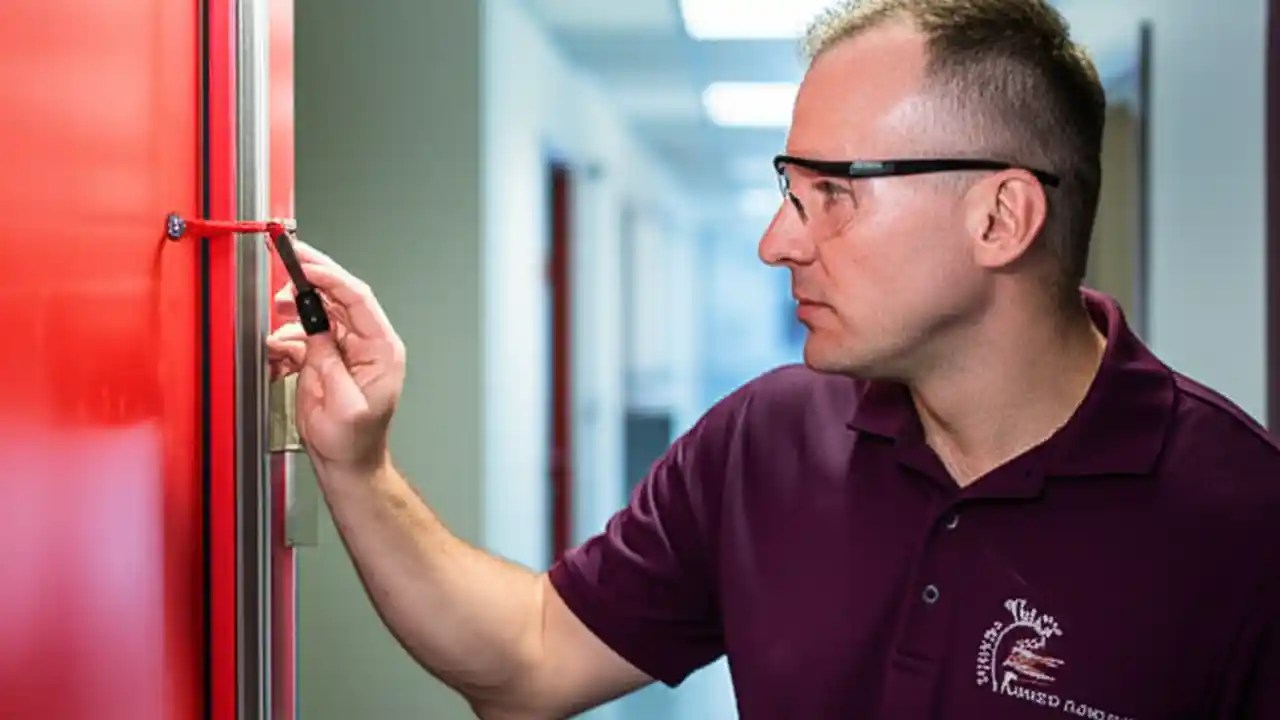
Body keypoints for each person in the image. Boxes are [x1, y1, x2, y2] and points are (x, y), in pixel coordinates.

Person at [268, 0, 1280, 717]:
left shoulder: (1241, 522)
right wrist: (358, 464)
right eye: (787, 190)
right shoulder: (765, 439)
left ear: (999, 217)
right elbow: (529, 660)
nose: (776, 242)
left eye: (832, 193)